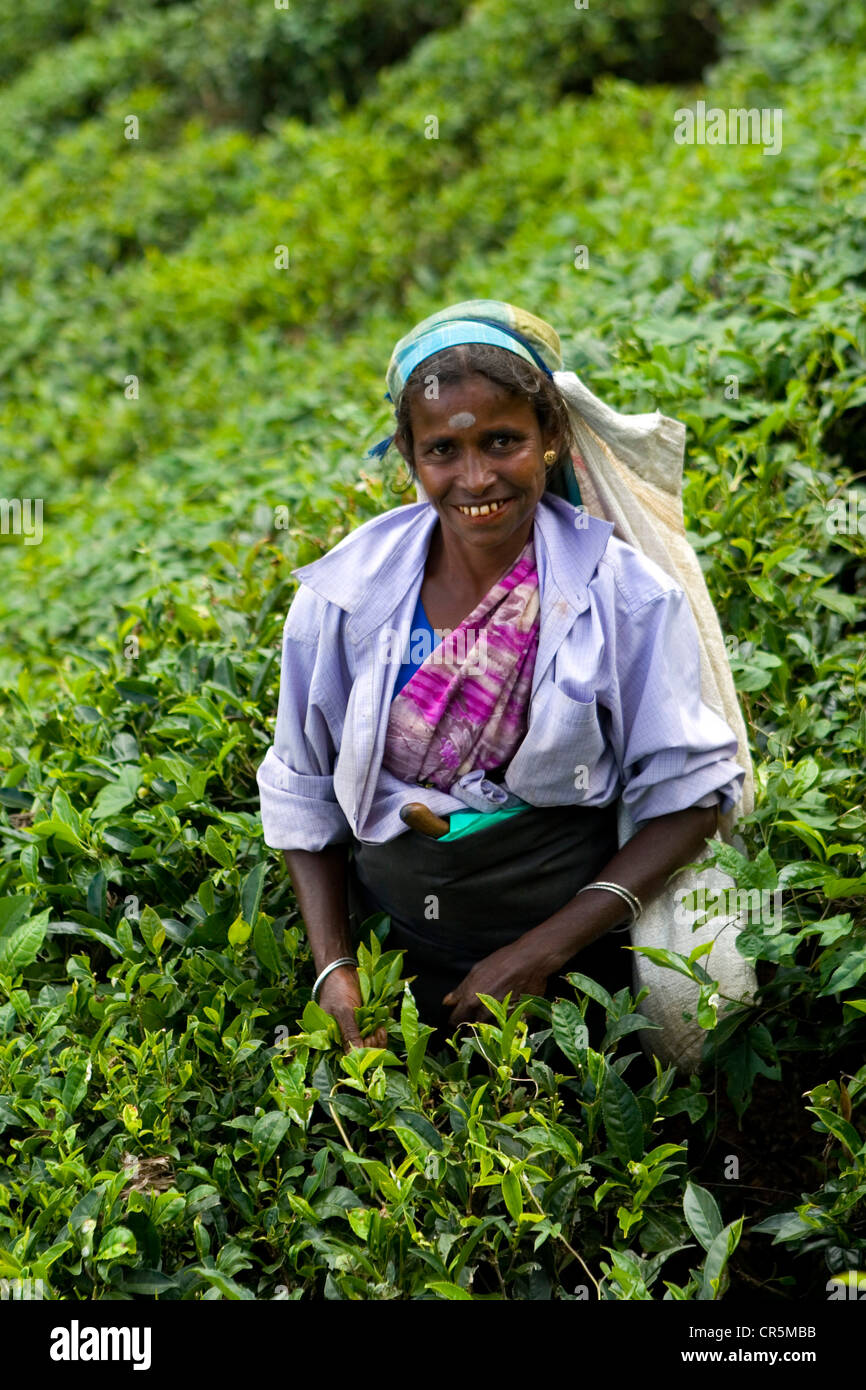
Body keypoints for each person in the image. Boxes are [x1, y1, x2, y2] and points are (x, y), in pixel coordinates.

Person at [256, 300, 746, 1052]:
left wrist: (536, 954)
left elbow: (692, 799)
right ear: (410, 455)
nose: (475, 476)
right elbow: (303, 790)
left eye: (503, 440)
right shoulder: (346, 595)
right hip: (397, 962)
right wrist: (336, 972)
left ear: (551, 439)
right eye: (442, 450)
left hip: (577, 966)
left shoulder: (622, 594)